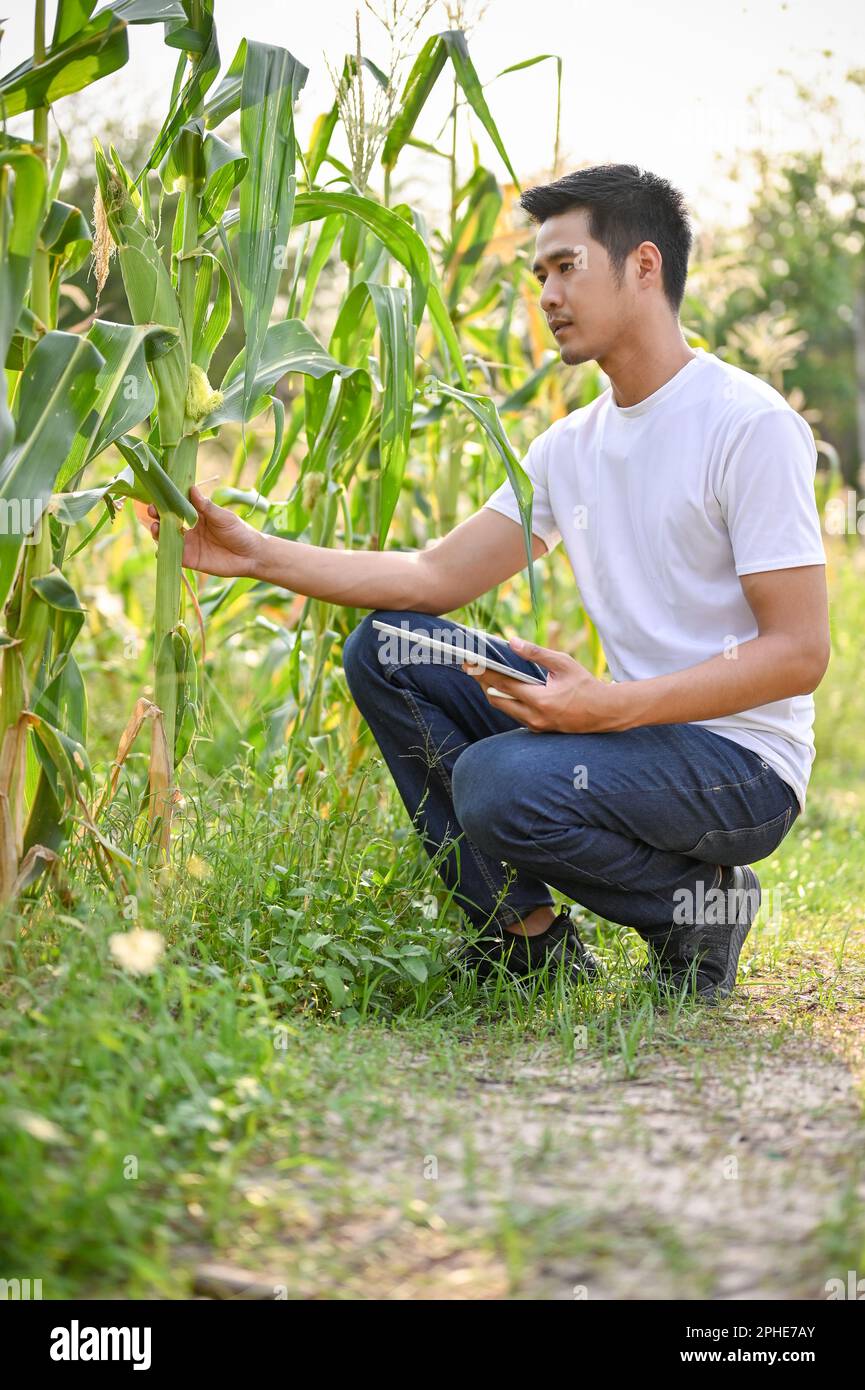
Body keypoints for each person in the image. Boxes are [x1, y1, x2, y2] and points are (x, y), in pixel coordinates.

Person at [147, 163, 830, 1003]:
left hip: (740, 764)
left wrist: (605, 708)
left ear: (644, 266)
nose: (545, 294)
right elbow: (431, 575)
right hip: (632, 730)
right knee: (388, 646)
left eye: (566, 266)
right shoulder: (567, 448)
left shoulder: (747, 424)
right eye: (538, 274)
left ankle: (699, 910)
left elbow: (797, 654)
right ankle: (525, 938)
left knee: (499, 781)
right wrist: (253, 552)